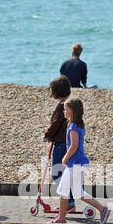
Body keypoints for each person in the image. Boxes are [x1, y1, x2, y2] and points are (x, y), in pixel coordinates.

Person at [50, 98, 109, 224]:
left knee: (64, 189)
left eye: (66, 109)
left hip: (75, 163)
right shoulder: (78, 125)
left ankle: (61, 218)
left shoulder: (73, 126)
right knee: (77, 193)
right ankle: (102, 209)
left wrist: (65, 158)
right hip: (80, 162)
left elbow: (74, 145)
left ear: (73, 111)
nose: (64, 111)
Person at [42, 76, 75, 212]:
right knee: (64, 174)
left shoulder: (61, 107)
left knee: (57, 174)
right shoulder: (70, 105)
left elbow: (55, 123)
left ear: (55, 92)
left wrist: (47, 135)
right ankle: (69, 202)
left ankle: (69, 202)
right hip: (66, 143)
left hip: (60, 144)